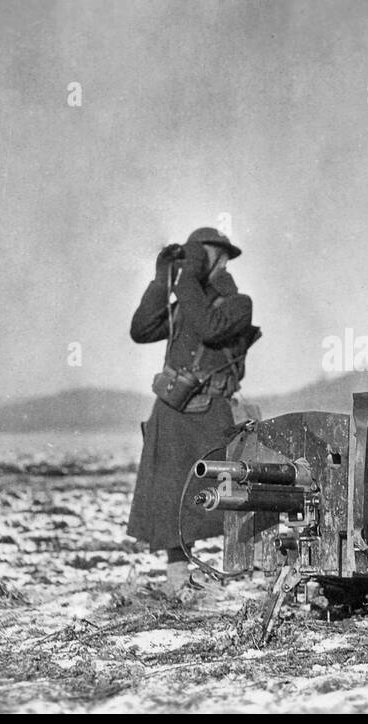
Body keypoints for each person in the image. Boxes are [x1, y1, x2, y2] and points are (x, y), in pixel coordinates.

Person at [127, 226, 261, 594]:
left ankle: (244, 576)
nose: (194, 263)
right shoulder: (188, 302)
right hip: (173, 409)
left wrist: (185, 278)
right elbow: (140, 329)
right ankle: (178, 580)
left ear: (218, 257)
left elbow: (208, 329)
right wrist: (161, 280)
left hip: (211, 411)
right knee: (170, 495)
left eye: (199, 255)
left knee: (227, 493)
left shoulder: (237, 304)